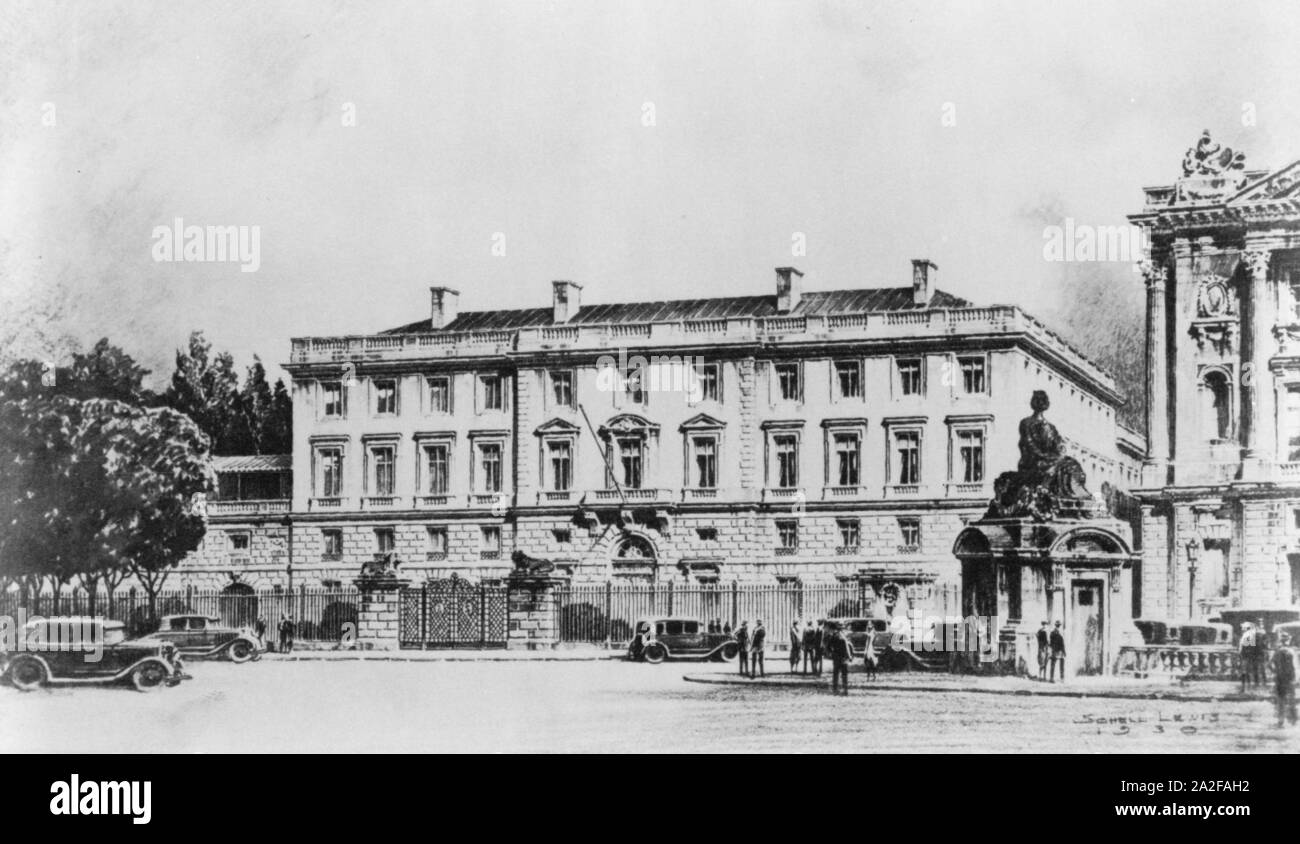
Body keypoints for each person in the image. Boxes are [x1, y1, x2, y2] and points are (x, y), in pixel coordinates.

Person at [1270, 632, 1298, 728]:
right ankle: (1293, 720)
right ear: (1288, 640)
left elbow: (1270, 664)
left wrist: (1275, 672)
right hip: (1290, 678)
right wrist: (1295, 677)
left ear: (1281, 641)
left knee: (1281, 700)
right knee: (1292, 699)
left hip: (1280, 678)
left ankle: (1281, 720)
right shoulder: (1292, 651)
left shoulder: (1277, 652)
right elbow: (1295, 666)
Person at [828, 625, 851, 693]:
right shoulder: (843, 637)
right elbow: (847, 648)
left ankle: (835, 689)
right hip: (843, 657)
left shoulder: (834, 636)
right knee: (844, 674)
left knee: (836, 673)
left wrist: (832, 652)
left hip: (837, 657)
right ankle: (845, 689)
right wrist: (849, 656)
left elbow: (828, 646)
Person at [1239, 622, 1258, 692]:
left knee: (1245, 672)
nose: (1242, 629)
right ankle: (1247, 687)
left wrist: (1242, 655)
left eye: (1243, 628)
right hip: (1247, 656)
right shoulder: (1249, 635)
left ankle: (1244, 688)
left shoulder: (1248, 635)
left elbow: (1247, 647)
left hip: (1246, 657)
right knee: (1246, 672)